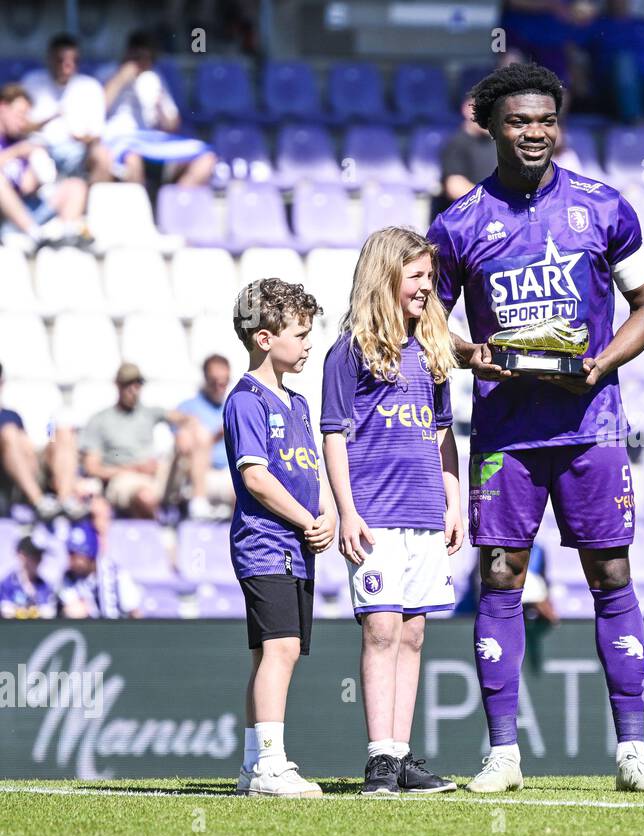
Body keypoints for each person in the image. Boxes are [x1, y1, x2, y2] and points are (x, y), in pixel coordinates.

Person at [427, 62, 644, 793]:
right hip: (506, 432)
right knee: (499, 575)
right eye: (518, 121)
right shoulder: (459, 223)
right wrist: (468, 354)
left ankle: (632, 751)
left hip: (590, 423)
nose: (534, 133)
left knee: (611, 574)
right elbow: (428, 324)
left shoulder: (605, 207)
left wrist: (600, 364)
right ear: (489, 126)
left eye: (545, 121)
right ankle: (503, 754)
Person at [321, 227, 461, 797]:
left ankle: (402, 757)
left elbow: (444, 433)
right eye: (417, 277)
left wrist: (454, 502)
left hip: (426, 512)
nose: (428, 287)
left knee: (414, 632)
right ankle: (379, 757)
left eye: (430, 276)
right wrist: (346, 511)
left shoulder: (431, 352)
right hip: (375, 515)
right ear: (386, 278)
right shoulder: (348, 353)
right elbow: (333, 435)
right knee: (380, 628)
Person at [225, 278, 334, 798]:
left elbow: (310, 470)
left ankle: (252, 764)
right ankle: (271, 764)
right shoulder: (246, 400)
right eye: (299, 332)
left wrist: (328, 511)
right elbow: (256, 477)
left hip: (293, 547)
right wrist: (306, 520)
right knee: (282, 648)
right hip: (265, 543)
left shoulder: (299, 404)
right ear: (265, 338)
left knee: (267, 653)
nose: (309, 343)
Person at [80, 362, 213, 520]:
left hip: (156, 474)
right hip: (124, 478)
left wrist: (183, 433)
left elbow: (186, 418)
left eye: (138, 384)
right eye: (128, 384)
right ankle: (163, 529)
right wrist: (134, 468)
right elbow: (92, 468)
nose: (133, 390)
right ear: (118, 385)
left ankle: (199, 501)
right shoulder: (100, 420)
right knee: (146, 497)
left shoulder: (148, 413)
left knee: (197, 435)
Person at [100, 30, 215, 188]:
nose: (143, 61)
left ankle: (172, 205)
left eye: (148, 57)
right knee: (132, 160)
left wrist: (160, 104)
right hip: (119, 141)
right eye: (138, 56)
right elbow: (97, 111)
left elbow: (172, 125)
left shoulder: (154, 78)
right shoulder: (108, 72)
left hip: (151, 142)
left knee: (206, 159)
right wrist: (121, 78)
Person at [0, 83, 88, 249]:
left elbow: (27, 186)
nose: (22, 121)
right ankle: (35, 236)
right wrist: (16, 152)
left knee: (75, 185)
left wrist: (35, 172)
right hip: (6, 219)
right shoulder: (17, 148)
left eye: (26, 116)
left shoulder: (23, 141)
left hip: (28, 207)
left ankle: (67, 236)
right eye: (19, 114)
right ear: (3, 107)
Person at [20, 34, 111, 182]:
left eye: (74, 61)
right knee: (32, 155)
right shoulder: (31, 83)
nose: (67, 67)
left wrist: (81, 138)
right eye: (61, 60)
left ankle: (91, 201)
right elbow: (21, 127)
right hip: (40, 149)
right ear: (49, 58)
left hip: (79, 153)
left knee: (103, 156)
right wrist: (49, 118)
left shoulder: (90, 87)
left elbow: (97, 134)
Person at [0, 361, 84, 520]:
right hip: (10, 474)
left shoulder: (12, 415)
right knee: (9, 434)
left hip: (32, 462)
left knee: (63, 432)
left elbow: (32, 442)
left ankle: (64, 499)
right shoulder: (8, 427)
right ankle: (38, 501)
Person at [176, 355, 236, 510]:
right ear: (205, 378)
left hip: (228, 473)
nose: (220, 385)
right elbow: (183, 446)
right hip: (200, 475)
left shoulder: (234, 407)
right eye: (214, 380)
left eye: (224, 381)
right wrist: (214, 437)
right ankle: (199, 500)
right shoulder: (187, 409)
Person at [57, 518, 142, 619]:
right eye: (71, 554)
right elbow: (71, 606)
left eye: (78, 555)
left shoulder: (116, 575)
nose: (72, 560)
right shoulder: (68, 578)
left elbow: (135, 612)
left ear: (90, 554)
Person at [438, 95, 498, 210]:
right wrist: (493, 202)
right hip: (469, 218)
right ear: (468, 109)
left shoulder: (499, 143)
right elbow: (455, 186)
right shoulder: (457, 143)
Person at [0, 535, 57, 619]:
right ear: (21, 555)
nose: (39, 559)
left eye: (40, 555)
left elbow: (50, 612)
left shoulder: (44, 585)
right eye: (34, 555)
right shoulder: (7, 584)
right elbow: (5, 611)